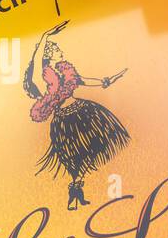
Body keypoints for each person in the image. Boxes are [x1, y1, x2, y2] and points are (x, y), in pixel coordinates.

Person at [23, 21, 129, 210]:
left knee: (101, 143)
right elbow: (37, 60)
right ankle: (75, 195)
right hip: (66, 122)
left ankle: (98, 188)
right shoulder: (43, 79)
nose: (59, 50)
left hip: (84, 111)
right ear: (48, 54)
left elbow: (83, 81)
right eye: (55, 48)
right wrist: (44, 36)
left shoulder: (65, 72)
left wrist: (105, 81)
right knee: (76, 160)